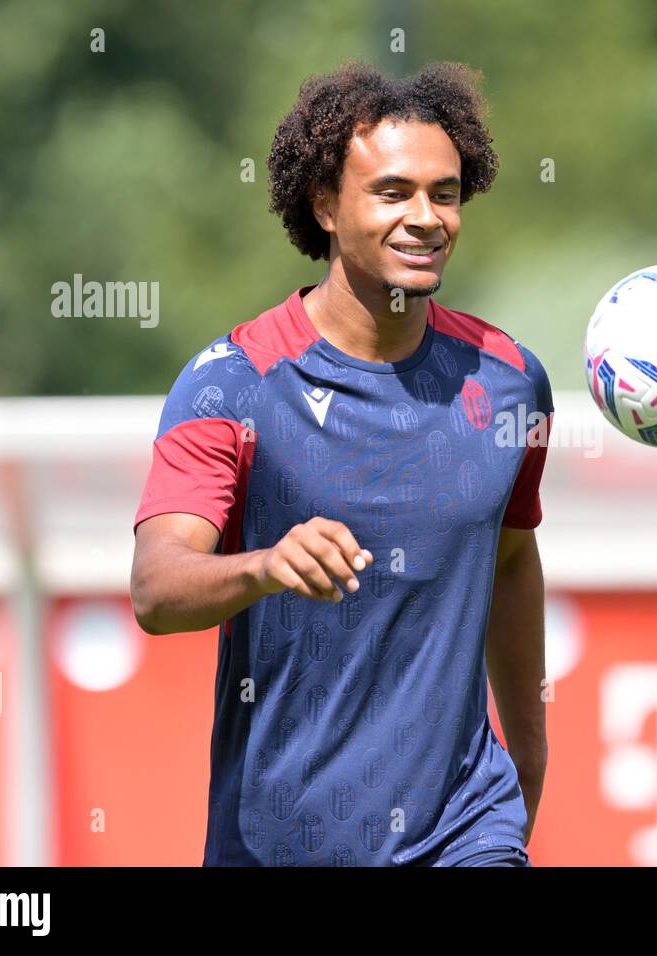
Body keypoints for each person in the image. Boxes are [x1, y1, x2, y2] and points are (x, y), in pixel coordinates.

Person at [129, 60, 551, 867]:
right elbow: (157, 588)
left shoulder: (510, 381)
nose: (426, 217)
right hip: (283, 839)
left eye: (446, 193)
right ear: (324, 204)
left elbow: (512, 554)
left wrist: (526, 755)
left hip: (465, 827)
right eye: (392, 193)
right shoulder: (231, 383)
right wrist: (263, 566)